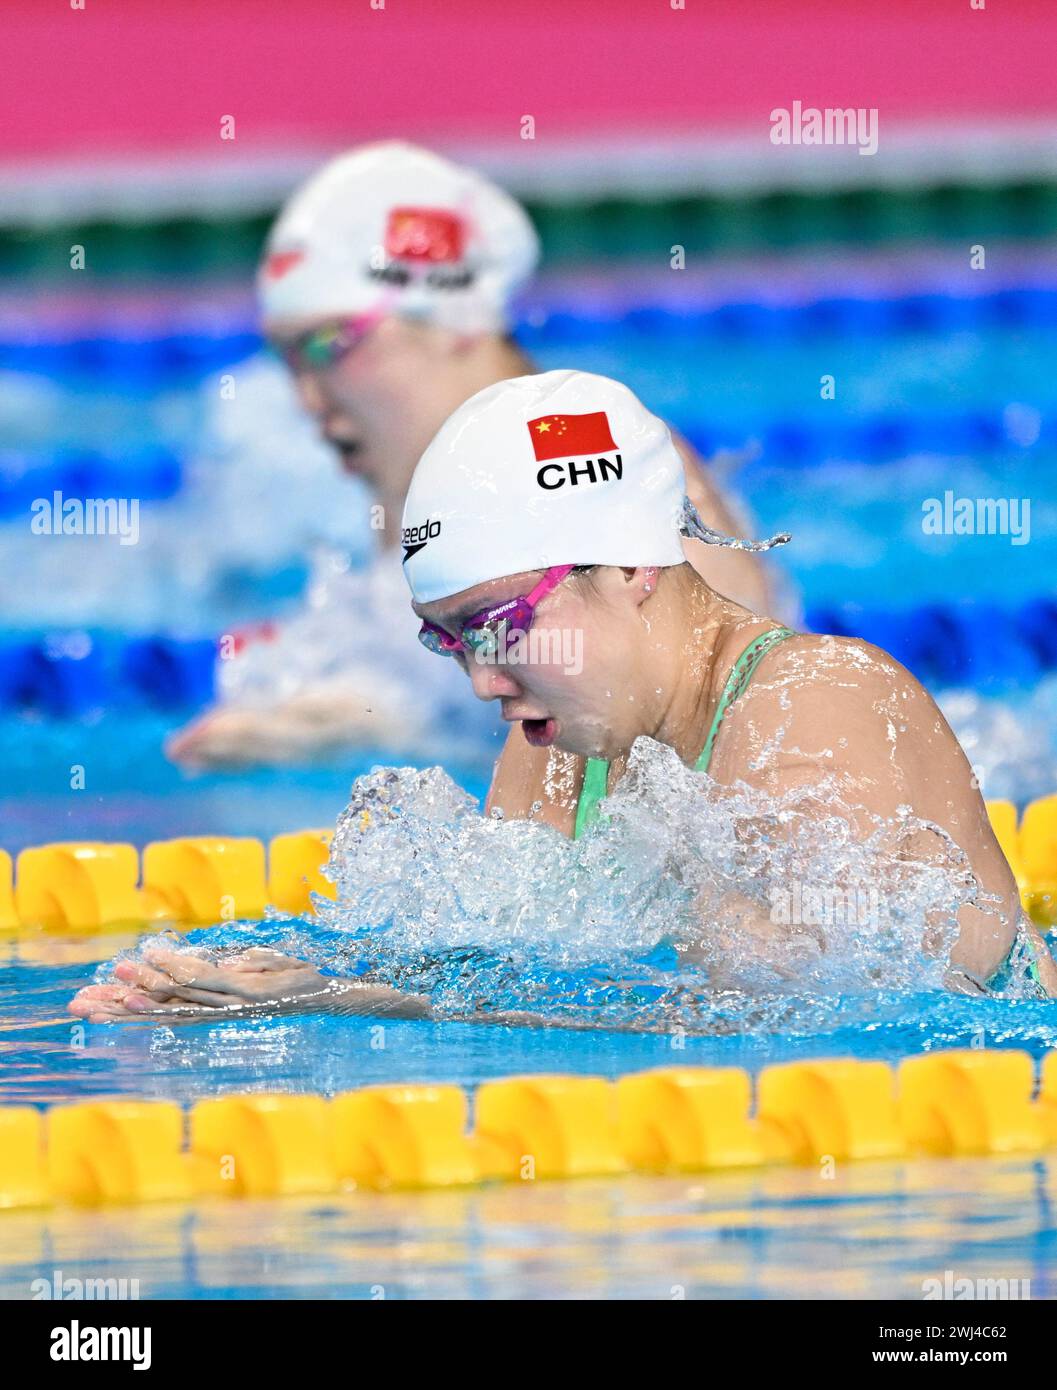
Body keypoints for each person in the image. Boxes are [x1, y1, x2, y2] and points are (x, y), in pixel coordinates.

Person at [70, 370, 1056, 1024]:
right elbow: (509, 963)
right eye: (448, 639)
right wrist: (267, 981)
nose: (482, 680)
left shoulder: (821, 698)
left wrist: (351, 997)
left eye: (499, 625)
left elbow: (798, 1006)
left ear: (628, 563)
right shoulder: (561, 747)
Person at [169, 141, 779, 768]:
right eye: (288, 358)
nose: (305, 398)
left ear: (454, 316)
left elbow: (713, 727)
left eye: (328, 344)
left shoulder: (607, 473)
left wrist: (350, 727)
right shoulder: (423, 478)